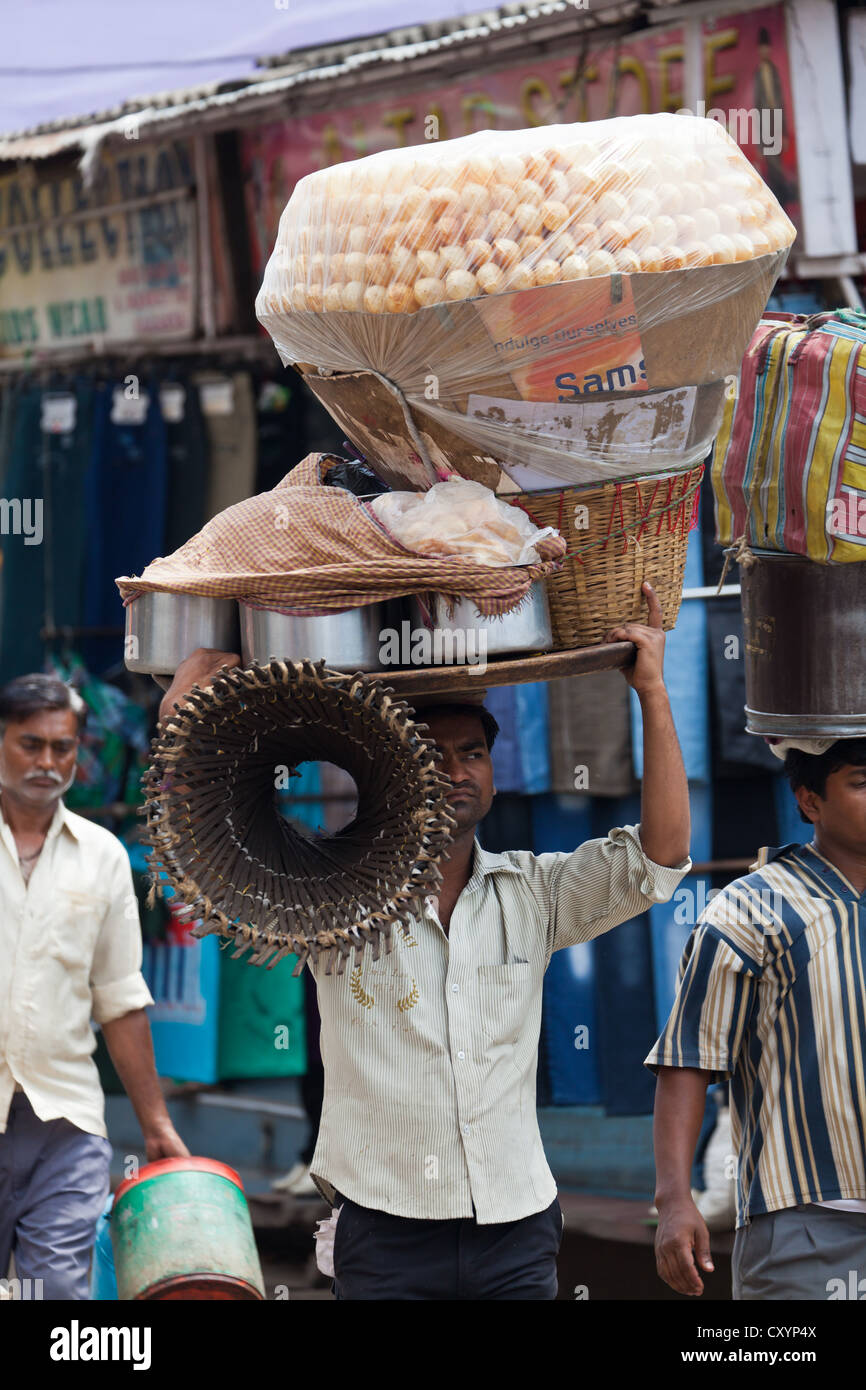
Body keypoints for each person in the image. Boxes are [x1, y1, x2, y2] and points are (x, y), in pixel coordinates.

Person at [160, 581, 691, 1300]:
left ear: (494, 774)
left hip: (515, 1221)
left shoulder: (533, 893)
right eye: (433, 754)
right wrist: (180, 717)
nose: (454, 771)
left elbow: (660, 858)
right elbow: (214, 837)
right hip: (385, 1231)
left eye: (472, 753)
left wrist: (653, 692)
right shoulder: (327, 895)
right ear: (394, 770)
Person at [649, 736, 866, 1300]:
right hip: (807, 1224)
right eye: (862, 784)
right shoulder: (751, 908)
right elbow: (687, 1061)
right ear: (810, 801)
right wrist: (674, 1199)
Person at [0, 674, 188, 1300]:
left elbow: (121, 998)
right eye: (31, 745)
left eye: (63, 747)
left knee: (54, 1292)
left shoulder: (104, 856)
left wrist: (155, 1123)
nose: (48, 762)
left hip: (67, 1120)